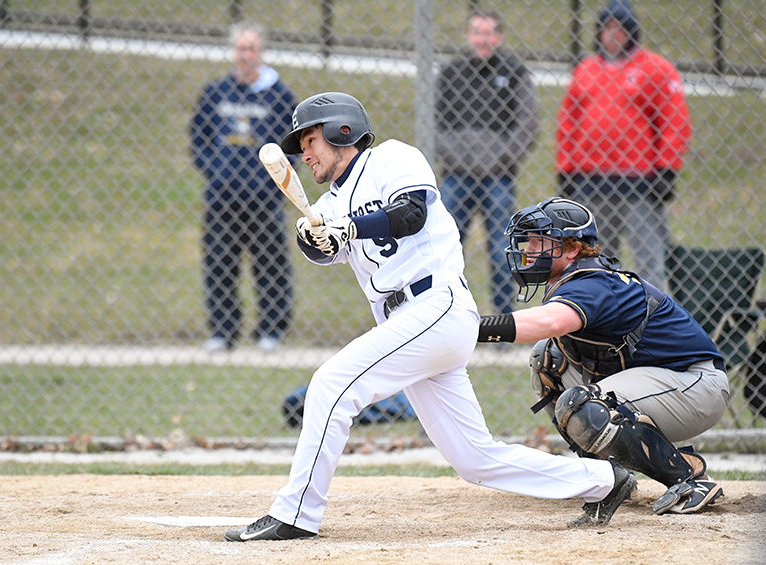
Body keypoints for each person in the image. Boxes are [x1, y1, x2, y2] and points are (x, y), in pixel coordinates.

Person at [224, 92, 636, 542]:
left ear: (342, 130)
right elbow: (326, 250)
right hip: (409, 324)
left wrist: (351, 228)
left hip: (435, 306)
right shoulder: (329, 204)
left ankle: (297, 513)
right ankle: (604, 480)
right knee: (476, 460)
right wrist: (313, 236)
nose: (304, 154)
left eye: (309, 139)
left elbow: (411, 215)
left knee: (330, 386)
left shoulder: (392, 158)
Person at [477, 197, 728, 515]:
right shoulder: (578, 279)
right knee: (547, 360)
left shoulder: (592, 284)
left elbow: (549, 322)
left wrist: (472, 327)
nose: (528, 250)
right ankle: (605, 476)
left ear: (571, 249)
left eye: (540, 241)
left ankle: (688, 479)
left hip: (695, 384)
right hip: (661, 382)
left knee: (583, 404)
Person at [554, 0, 691, 288]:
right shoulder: (586, 69)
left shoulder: (655, 69)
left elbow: (673, 119)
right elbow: (568, 123)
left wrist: (667, 168)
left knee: (648, 257)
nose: (612, 35)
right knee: (597, 257)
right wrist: (565, 169)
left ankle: (654, 319)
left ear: (631, 32)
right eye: (606, 29)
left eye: (620, 29)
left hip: (640, 184)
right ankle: (603, 318)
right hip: (591, 183)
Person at [190, 22, 296, 351]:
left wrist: (275, 178)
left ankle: (271, 331)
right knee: (220, 264)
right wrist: (217, 170)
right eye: (240, 48)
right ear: (232, 52)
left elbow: (295, 144)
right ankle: (223, 331)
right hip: (222, 198)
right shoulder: (215, 93)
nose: (245, 55)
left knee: (271, 264)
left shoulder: (279, 96)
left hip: (264, 199)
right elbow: (198, 138)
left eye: (251, 48)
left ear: (260, 52)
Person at [435, 9, 539, 315]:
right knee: (447, 248)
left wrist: (500, 158)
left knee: (500, 250)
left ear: (499, 36)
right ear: (468, 35)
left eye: (489, 32)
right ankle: (444, 311)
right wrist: (457, 156)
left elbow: (528, 125)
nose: (483, 39)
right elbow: (433, 123)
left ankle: (502, 319)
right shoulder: (451, 73)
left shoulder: (515, 72)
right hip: (456, 177)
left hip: (499, 178)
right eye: (477, 32)